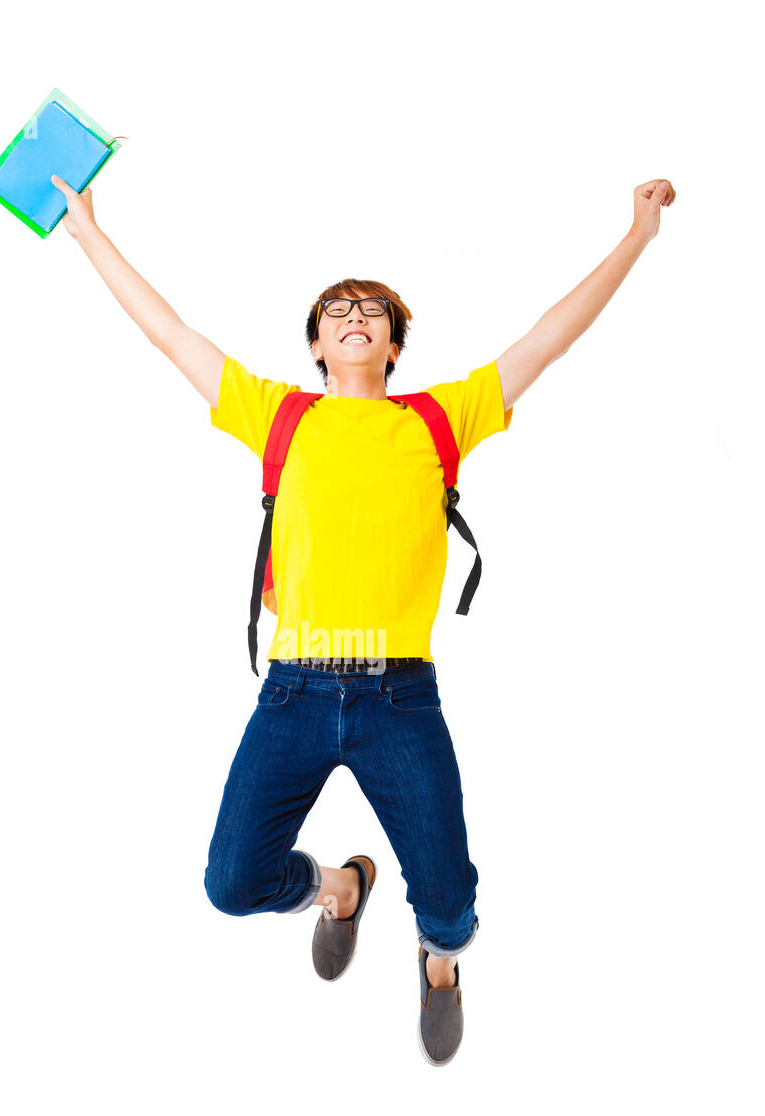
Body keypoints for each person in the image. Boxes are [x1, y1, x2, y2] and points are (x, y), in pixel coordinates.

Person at [51, 171, 676, 1064]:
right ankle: (341, 889)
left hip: (399, 702)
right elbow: (169, 334)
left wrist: (636, 236)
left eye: (372, 312)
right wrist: (87, 234)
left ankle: (439, 964)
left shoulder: (438, 419)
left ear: (392, 346)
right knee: (232, 885)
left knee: (451, 906)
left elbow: (549, 339)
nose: (354, 317)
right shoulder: (278, 414)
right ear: (315, 342)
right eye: (336, 310)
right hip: (294, 695)